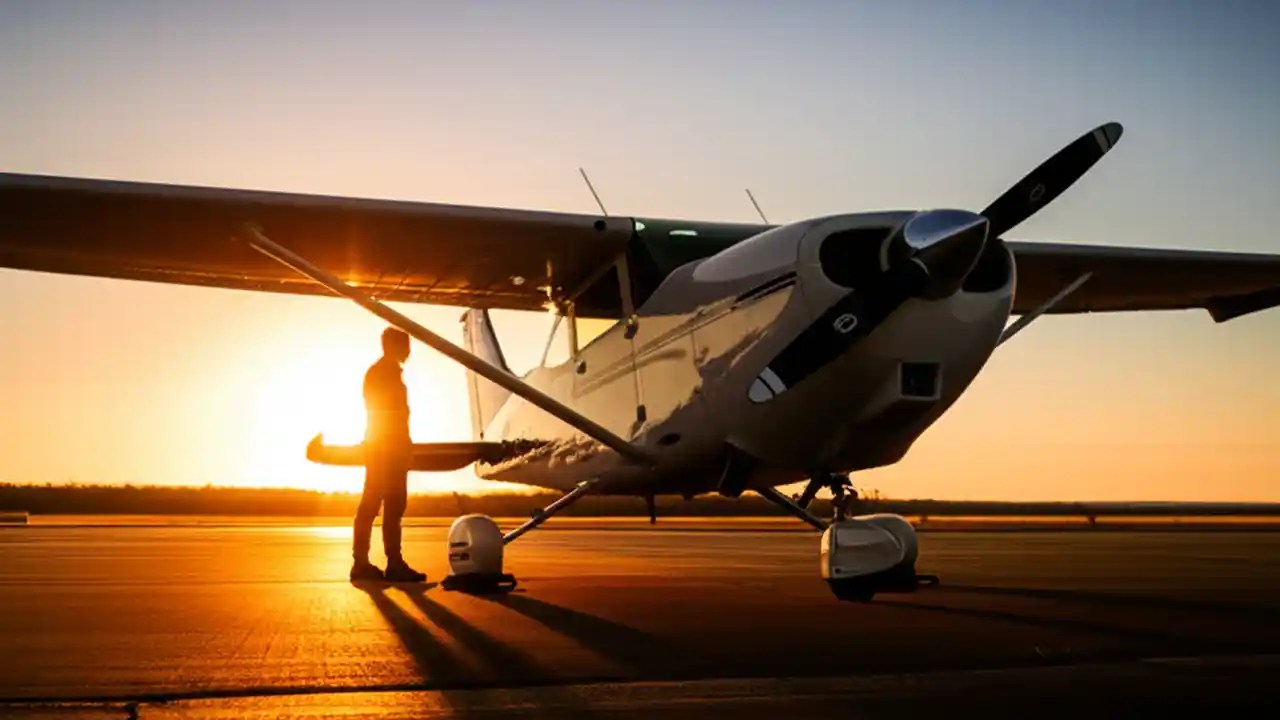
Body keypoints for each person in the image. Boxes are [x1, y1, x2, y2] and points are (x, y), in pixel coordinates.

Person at [350, 327, 427, 583]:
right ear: (393, 346)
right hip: (387, 450)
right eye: (406, 346)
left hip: (381, 447)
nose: (409, 351)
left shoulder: (383, 373)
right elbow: (391, 415)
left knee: (380, 506)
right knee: (384, 507)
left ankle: (372, 562)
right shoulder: (385, 375)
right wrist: (400, 448)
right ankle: (382, 563)